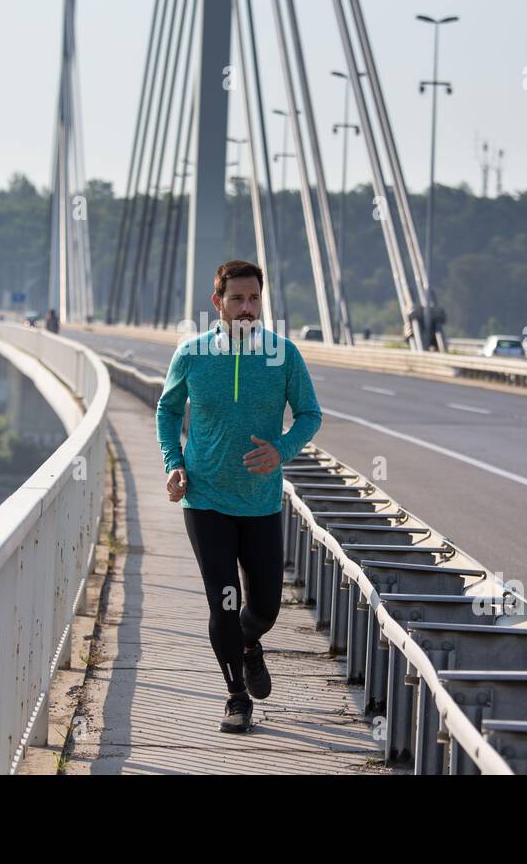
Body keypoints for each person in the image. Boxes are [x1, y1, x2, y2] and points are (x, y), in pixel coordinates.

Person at [155, 259, 322, 733]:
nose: (247, 309)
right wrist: (174, 464)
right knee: (223, 602)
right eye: (237, 300)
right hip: (205, 499)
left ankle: (249, 644)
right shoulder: (192, 354)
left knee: (265, 607)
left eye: (254, 299)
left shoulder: (283, 354)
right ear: (218, 303)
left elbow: (310, 414)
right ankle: (235, 696)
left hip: (261, 502)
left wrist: (282, 450)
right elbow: (167, 412)